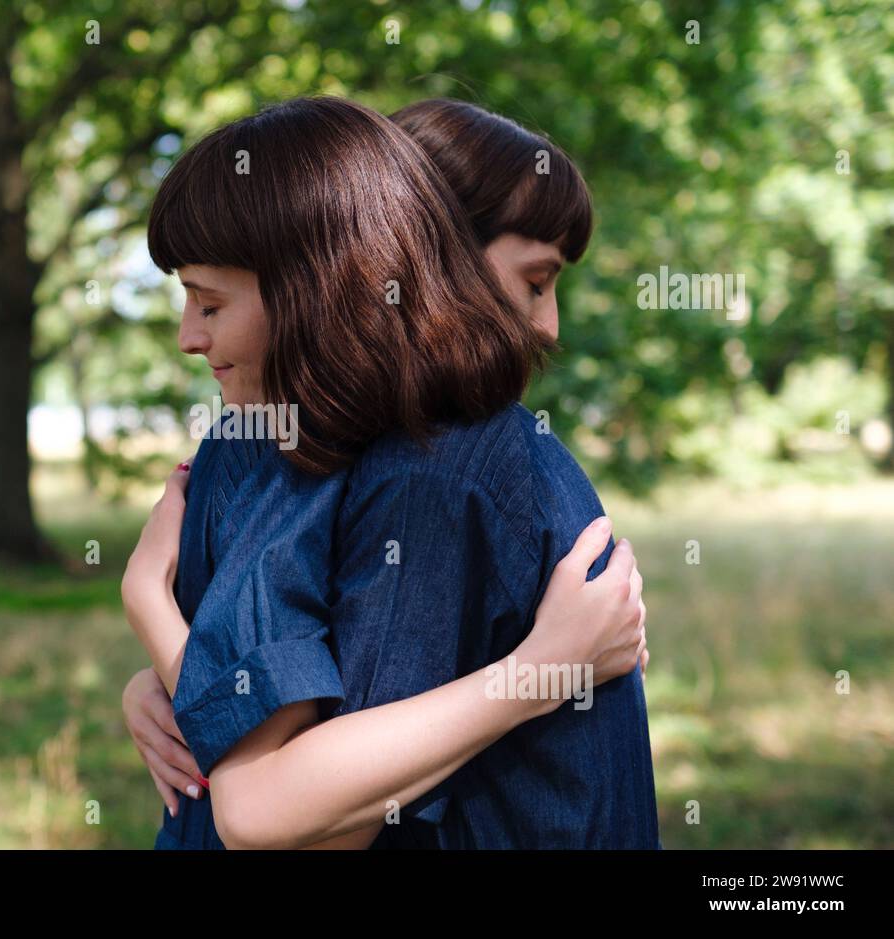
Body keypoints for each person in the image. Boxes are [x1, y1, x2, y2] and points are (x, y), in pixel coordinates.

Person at [121, 96, 657, 849]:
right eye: (534, 279)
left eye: (210, 303)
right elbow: (270, 738)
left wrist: (154, 613)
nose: (548, 327)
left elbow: (277, 809)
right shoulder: (299, 448)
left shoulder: (434, 464)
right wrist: (166, 662)